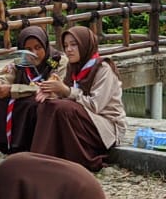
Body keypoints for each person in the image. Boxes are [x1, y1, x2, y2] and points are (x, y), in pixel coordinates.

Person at [27, 25, 126, 171]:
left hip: (107, 124)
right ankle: (42, 159)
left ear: (85, 44)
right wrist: (52, 92)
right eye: (66, 45)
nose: (69, 49)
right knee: (46, 105)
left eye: (74, 45)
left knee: (64, 108)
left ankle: (80, 159)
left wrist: (65, 91)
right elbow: (66, 94)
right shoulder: (73, 67)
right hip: (86, 118)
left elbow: (95, 105)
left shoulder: (103, 68)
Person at [0, 24, 62, 155]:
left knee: (33, 104)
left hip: (49, 102)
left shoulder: (56, 61)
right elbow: (0, 86)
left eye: (38, 47)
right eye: (28, 49)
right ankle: (12, 147)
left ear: (45, 45)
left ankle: (37, 148)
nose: (34, 53)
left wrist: (14, 89)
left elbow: (51, 87)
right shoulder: (19, 64)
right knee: (0, 102)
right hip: (26, 100)